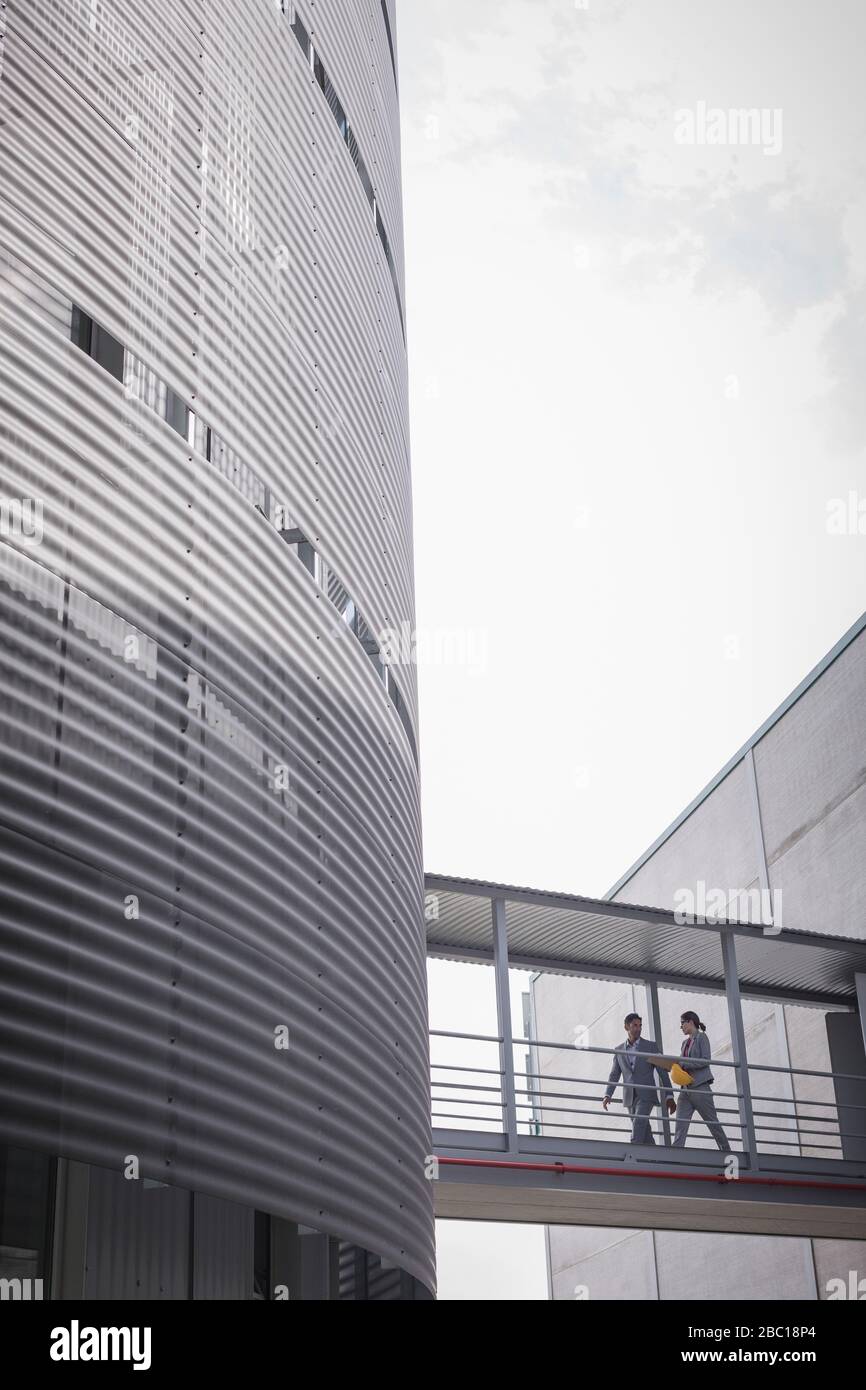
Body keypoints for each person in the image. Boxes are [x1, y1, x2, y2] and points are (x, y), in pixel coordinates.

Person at [602, 1013, 676, 1144]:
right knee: (644, 1131)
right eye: (634, 1025)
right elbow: (614, 1074)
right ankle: (656, 1161)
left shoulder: (650, 1046)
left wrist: (669, 1096)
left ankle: (632, 1150)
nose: (638, 1028)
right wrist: (608, 1094)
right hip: (630, 1097)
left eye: (640, 1025)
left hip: (646, 1095)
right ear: (626, 1027)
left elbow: (662, 1072)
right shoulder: (619, 1050)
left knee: (638, 1124)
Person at [671, 1011, 731, 1152]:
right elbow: (682, 1063)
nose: (681, 1027)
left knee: (713, 1124)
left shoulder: (702, 1037)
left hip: (700, 1087)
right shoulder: (684, 1043)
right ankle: (675, 1159)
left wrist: (685, 1064)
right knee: (680, 1127)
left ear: (690, 1022)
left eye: (682, 1023)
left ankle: (727, 1153)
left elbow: (705, 1060)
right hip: (685, 1090)